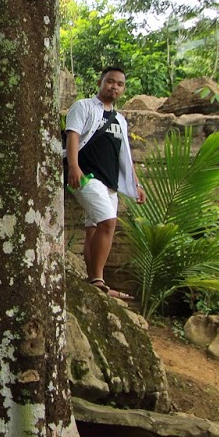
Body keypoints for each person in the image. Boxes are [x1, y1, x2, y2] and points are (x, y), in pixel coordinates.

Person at [64, 66, 144, 298]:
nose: (114, 87)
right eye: (110, 81)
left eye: (120, 84)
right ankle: (99, 279)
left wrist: (136, 184)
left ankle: (92, 281)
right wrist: (73, 166)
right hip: (87, 176)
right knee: (108, 222)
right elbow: (73, 135)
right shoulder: (83, 106)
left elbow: (125, 155)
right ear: (101, 82)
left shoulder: (120, 119)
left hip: (110, 182)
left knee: (94, 229)